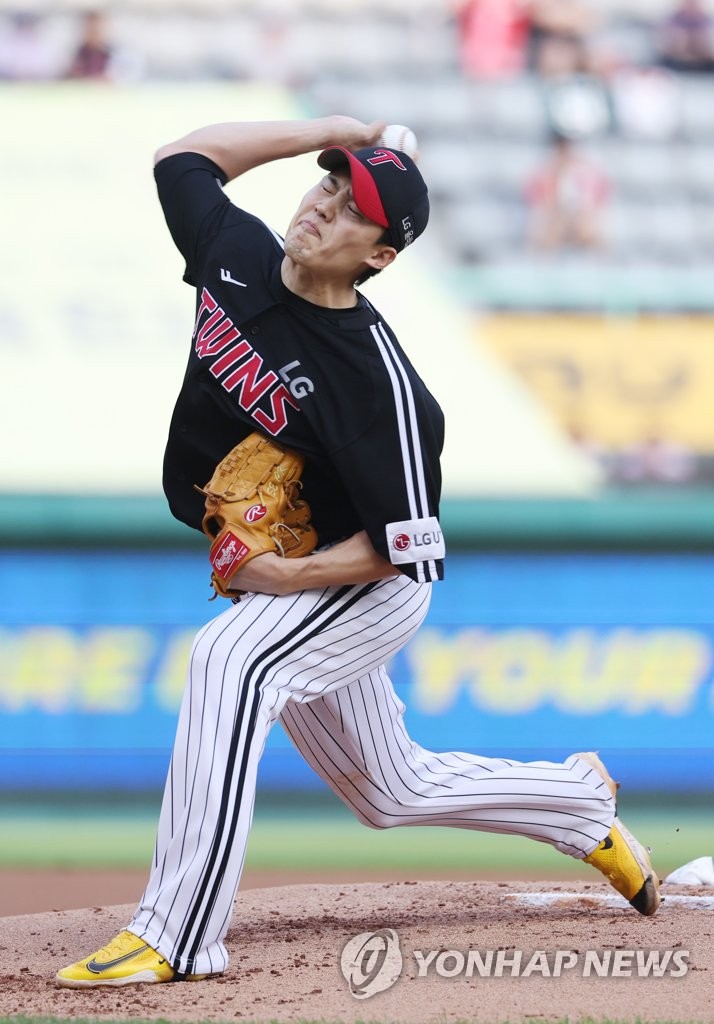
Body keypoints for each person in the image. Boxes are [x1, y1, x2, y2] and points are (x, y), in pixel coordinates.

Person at [56, 115, 660, 988]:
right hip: (293, 577)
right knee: (391, 792)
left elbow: (411, 547)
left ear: (379, 257)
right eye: (325, 188)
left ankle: (177, 934)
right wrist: (328, 130)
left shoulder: (381, 387)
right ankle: (577, 803)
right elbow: (181, 159)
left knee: (233, 663)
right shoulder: (237, 251)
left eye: (349, 213)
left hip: (363, 579)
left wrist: (288, 577)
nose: (321, 209)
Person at [526, 133, 610, 250]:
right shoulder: (547, 170)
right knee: (549, 229)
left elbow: (599, 193)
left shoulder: (585, 170)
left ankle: (599, 262)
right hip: (554, 214)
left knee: (590, 229)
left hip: (579, 214)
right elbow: (537, 196)